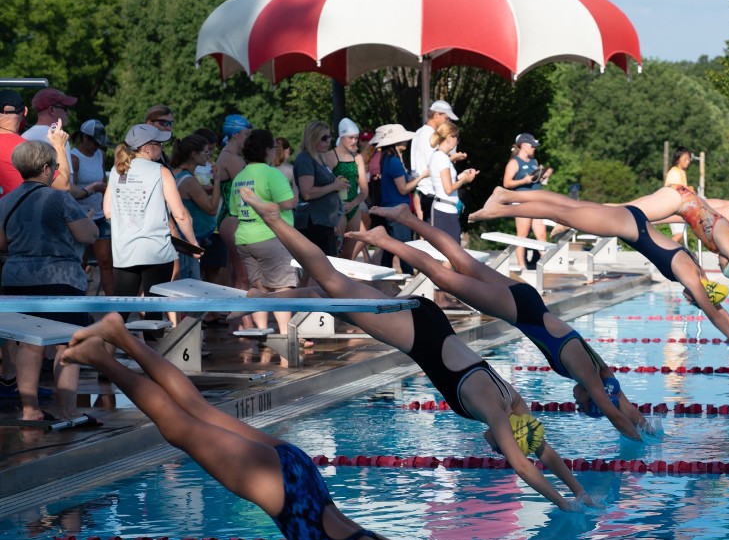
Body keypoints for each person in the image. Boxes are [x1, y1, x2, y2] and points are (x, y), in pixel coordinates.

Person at [60, 314, 451, 540]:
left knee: (198, 412)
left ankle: (120, 334)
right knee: (179, 427)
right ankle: (100, 358)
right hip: (284, 495)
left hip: (302, 480)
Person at [238, 185, 594, 511]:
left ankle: (266, 295)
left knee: (327, 296)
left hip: (429, 319)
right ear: (506, 439)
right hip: (414, 334)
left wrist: (579, 489)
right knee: (329, 279)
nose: (493, 449)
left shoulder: (514, 402)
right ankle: (273, 220)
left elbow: (543, 451)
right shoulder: (496, 412)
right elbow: (523, 463)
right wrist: (561, 503)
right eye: (499, 446)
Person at [351, 205, 652, 441]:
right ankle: (384, 240)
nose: (577, 404)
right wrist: (637, 444)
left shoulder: (601, 369)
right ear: (592, 398)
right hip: (517, 310)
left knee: (459, 258)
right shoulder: (589, 375)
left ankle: (407, 218)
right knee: (441, 274)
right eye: (584, 407)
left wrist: (647, 429)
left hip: (528, 300)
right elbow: (615, 412)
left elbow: (623, 404)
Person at [470, 187, 729, 363]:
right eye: (696, 300)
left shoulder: (695, 271)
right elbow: (715, 315)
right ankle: (496, 210)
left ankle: (506, 195)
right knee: (560, 212)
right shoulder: (690, 276)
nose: (692, 300)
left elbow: (719, 310)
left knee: (568, 206)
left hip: (631, 221)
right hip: (625, 224)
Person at [0, 140, 99, 425]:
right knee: (67, 345)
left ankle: (30, 410)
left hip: (17, 280)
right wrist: (88, 220)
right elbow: (88, 236)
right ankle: (68, 410)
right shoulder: (59, 198)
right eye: (55, 166)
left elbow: (2, 243)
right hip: (60, 279)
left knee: (28, 344)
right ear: (45, 168)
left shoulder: (5, 201)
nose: (56, 171)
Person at [624, 184, 729, 331]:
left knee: (623, 210)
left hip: (680, 198)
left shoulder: (728, 247)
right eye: (721, 266)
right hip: (679, 199)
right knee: (627, 214)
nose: (717, 263)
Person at [105, 124, 199, 302]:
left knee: (122, 309)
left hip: (125, 251)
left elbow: (108, 212)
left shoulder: (118, 172)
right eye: (159, 143)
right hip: (156, 251)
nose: (162, 148)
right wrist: (192, 244)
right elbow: (180, 215)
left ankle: (115, 331)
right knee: (154, 311)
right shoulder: (161, 171)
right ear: (147, 147)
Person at [230, 129, 297, 334]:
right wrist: (295, 194)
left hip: (245, 238)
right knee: (282, 287)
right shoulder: (271, 173)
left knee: (260, 287)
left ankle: (261, 331)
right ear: (268, 150)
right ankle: (286, 335)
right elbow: (287, 203)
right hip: (271, 237)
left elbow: (234, 211)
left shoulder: (240, 177)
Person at [372, 124, 424, 270]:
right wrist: (422, 177)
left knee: (390, 249)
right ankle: (408, 282)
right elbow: (403, 189)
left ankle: (384, 279)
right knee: (405, 250)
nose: (406, 141)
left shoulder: (387, 159)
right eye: (403, 139)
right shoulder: (394, 161)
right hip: (398, 211)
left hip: (390, 209)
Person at [293, 120, 348, 257]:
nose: (328, 141)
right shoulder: (305, 159)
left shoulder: (320, 158)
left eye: (329, 137)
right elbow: (307, 193)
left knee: (322, 267)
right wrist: (334, 186)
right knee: (321, 267)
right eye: (324, 138)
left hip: (324, 221)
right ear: (313, 138)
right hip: (313, 222)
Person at [71, 120, 114, 295]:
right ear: (84, 138)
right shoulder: (74, 158)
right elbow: (71, 190)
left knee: (105, 261)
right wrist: (91, 190)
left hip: (98, 214)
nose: (97, 147)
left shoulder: (100, 155)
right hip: (80, 216)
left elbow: (103, 180)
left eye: (100, 144)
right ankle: (80, 302)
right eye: (95, 143)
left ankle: (113, 306)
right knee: (81, 262)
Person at [503, 133, 555, 269]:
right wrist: (523, 181)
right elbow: (506, 183)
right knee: (523, 235)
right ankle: (522, 267)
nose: (534, 149)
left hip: (536, 201)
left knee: (542, 234)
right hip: (522, 202)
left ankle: (546, 265)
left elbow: (538, 181)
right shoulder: (514, 162)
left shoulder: (534, 161)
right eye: (532, 146)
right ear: (524, 145)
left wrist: (544, 176)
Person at [171, 135, 217, 283]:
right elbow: (211, 209)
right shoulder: (189, 180)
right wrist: (217, 181)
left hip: (178, 240)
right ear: (194, 154)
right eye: (206, 152)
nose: (209, 156)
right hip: (187, 243)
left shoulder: (177, 173)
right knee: (190, 285)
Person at [215, 114, 253, 288]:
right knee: (242, 273)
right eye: (246, 135)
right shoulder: (230, 157)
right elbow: (248, 187)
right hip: (231, 217)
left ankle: (222, 312)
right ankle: (238, 313)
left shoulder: (232, 155)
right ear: (236, 134)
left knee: (232, 269)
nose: (249, 139)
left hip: (232, 217)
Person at [411, 100, 463, 223]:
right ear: (436, 116)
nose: (448, 122)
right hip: (433, 193)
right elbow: (435, 165)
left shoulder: (418, 132)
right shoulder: (431, 135)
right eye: (447, 118)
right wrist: (453, 158)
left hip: (422, 192)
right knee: (438, 238)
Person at [428, 121, 478, 242]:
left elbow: (446, 182)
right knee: (451, 255)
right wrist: (464, 180)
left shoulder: (440, 156)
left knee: (451, 254)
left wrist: (462, 177)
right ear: (450, 137)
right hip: (445, 211)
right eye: (457, 138)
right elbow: (448, 188)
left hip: (446, 209)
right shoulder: (442, 158)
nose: (457, 142)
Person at [21, 88, 74, 191]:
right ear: (52, 110)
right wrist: (86, 191)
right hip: (53, 203)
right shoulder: (59, 138)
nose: (68, 113)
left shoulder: (24, 137)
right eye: (65, 108)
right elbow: (66, 184)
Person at [333, 118, 369, 260]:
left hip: (353, 207)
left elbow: (365, 191)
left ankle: (345, 280)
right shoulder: (331, 157)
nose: (354, 141)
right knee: (335, 253)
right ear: (341, 137)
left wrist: (353, 204)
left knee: (348, 254)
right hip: (337, 208)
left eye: (356, 138)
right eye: (351, 138)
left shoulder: (357, 158)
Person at [0, 89, 28, 194]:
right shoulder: (29, 149)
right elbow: (63, 186)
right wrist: (59, 145)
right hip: (16, 209)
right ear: (25, 111)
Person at [664, 146, 692, 244]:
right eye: (685, 159)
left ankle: (671, 254)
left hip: (679, 209)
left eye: (689, 159)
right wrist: (689, 190)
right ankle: (665, 252)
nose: (688, 161)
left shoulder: (681, 172)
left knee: (681, 235)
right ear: (677, 159)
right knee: (679, 234)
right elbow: (674, 189)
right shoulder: (674, 172)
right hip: (673, 208)